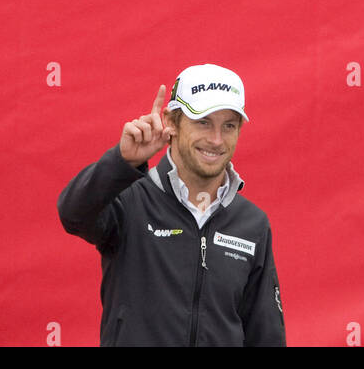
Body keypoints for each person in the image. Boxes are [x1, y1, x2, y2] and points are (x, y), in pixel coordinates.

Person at [57, 63, 285, 346]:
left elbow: (265, 335)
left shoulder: (252, 223)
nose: (216, 140)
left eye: (228, 125)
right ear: (172, 123)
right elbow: (73, 214)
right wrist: (122, 161)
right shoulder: (131, 201)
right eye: (203, 122)